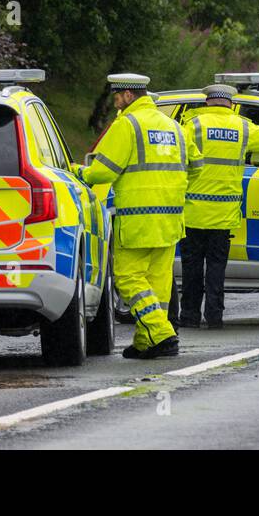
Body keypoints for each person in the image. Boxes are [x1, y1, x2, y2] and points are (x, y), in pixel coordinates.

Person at [80, 73, 199, 359]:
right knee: (157, 284)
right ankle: (147, 342)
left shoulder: (127, 125)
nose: (115, 101)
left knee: (128, 277)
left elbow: (104, 171)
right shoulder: (175, 127)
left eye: (117, 96)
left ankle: (162, 333)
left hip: (137, 220)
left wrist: (80, 172)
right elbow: (196, 167)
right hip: (170, 220)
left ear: (129, 96)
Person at [180, 83, 259, 328]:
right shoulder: (242, 127)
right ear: (231, 104)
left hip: (192, 212)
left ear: (207, 102)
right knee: (216, 268)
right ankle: (215, 316)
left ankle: (189, 316)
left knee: (191, 268)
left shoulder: (193, 126)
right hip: (224, 214)